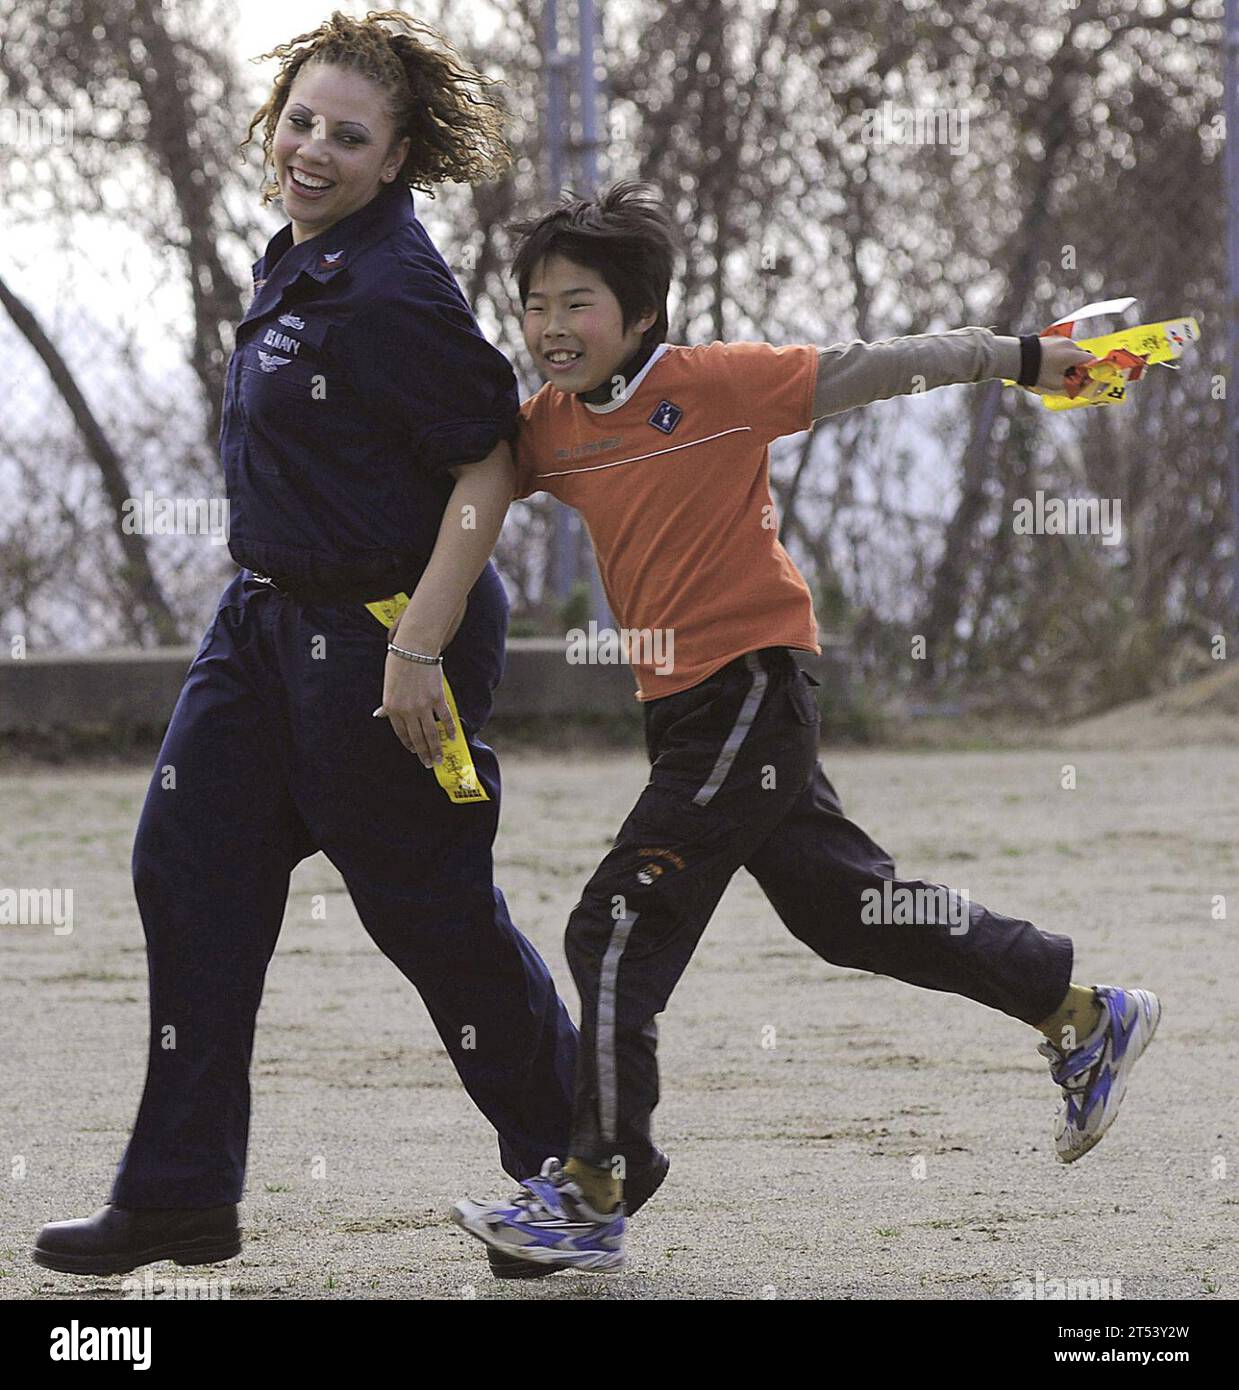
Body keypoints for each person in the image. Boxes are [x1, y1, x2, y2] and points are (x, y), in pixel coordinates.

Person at [450, 180, 1162, 1274]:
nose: (552, 327)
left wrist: (1024, 357)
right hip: (684, 710)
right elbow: (467, 474)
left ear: (641, 315)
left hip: (753, 685)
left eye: (579, 303)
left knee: (613, 928)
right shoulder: (548, 430)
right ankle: (1078, 1010)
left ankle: (593, 1187)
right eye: (536, 304)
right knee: (851, 911)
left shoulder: (717, 384)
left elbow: (883, 365)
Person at [32, 9, 594, 1279]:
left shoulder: (396, 286)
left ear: (394, 158)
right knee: (188, 866)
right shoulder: (298, 253)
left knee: (430, 917)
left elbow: (489, 464)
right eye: (302, 121)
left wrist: (421, 649)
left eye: (350, 136)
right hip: (262, 621)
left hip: (389, 633)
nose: (315, 149)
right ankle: (178, 1197)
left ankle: (582, 1165)